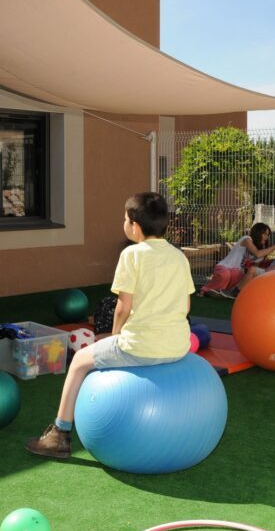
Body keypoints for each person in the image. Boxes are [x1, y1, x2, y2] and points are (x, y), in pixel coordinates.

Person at [26, 191, 196, 458]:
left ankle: (59, 435)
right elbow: (185, 306)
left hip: (141, 348)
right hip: (178, 346)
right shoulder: (179, 257)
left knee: (80, 360)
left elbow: (123, 306)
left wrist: (115, 336)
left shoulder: (131, 255)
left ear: (135, 226)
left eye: (125, 219)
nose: (124, 223)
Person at [198, 222, 275, 298]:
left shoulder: (262, 251)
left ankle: (222, 292)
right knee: (225, 275)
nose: (267, 237)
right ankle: (206, 289)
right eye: (265, 234)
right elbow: (257, 253)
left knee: (240, 278)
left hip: (236, 272)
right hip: (225, 267)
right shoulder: (247, 239)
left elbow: (254, 267)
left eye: (268, 235)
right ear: (258, 233)